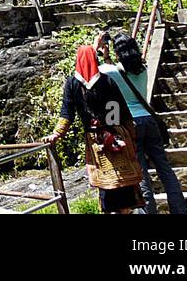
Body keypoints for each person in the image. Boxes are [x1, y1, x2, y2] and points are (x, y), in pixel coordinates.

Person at [44, 44, 144, 213]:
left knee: (105, 182)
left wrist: (57, 134)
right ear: (94, 60)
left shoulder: (72, 83)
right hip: (117, 137)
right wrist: (130, 136)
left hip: (96, 141)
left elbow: (67, 112)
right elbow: (121, 110)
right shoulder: (107, 81)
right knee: (123, 182)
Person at [99, 31, 187, 215]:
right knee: (165, 170)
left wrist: (99, 49)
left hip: (130, 125)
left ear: (118, 53)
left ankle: (148, 212)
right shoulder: (143, 69)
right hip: (149, 120)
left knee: (141, 175)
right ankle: (180, 210)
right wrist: (109, 57)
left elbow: (96, 72)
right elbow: (120, 71)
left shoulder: (111, 72)